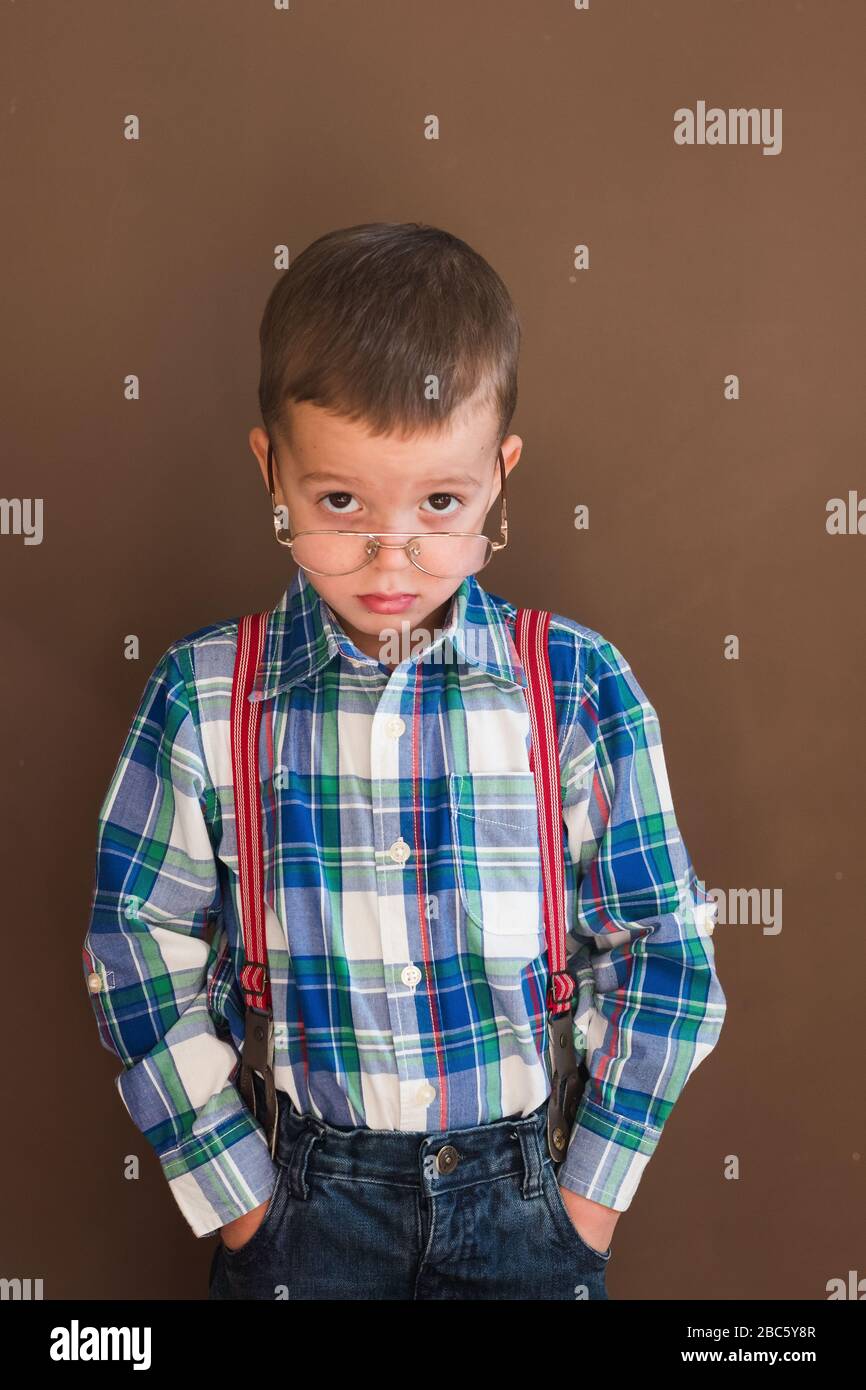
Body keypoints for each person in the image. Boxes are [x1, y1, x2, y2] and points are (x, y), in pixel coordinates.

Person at [82, 221, 727, 1300]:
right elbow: (135, 946)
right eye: (342, 503)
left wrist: (586, 1206)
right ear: (271, 471)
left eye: (438, 504)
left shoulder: (572, 686)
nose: (393, 555)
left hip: (526, 1203)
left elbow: (660, 948)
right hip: (301, 1207)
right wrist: (241, 1200)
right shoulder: (203, 695)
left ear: (497, 478)